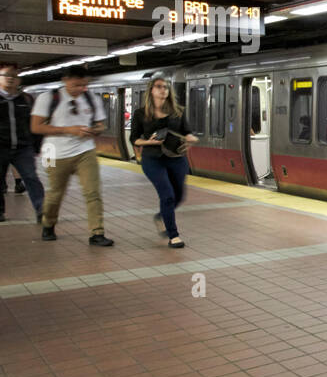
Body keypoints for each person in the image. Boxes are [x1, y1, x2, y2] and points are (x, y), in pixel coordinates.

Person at [30, 69, 113, 245]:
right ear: (65, 80)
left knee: (93, 192)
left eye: (84, 85)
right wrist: (69, 130)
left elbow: (100, 124)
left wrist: (96, 130)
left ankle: (97, 233)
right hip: (53, 151)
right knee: (55, 193)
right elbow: (36, 127)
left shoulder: (91, 98)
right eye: (76, 85)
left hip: (85, 150)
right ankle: (48, 223)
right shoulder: (47, 98)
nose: (81, 89)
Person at [131, 76, 198, 248]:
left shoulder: (178, 112)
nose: (163, 90)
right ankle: (173, 235)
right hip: (153, 159)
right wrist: (149, 142)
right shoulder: (140, 114)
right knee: (167, 195)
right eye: (159, 87)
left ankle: (161, 216)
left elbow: (187, 131)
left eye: (166, 87)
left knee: (179, 196)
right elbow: (135, 139)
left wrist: (190, 139)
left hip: (176, 159)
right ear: (151, 90)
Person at [0, 63, 45, 224]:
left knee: (31, 177)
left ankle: (42, 210)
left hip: (22, 148)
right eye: (6, 76)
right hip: (1, 147)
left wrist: (36, 146)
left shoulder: (26, 99)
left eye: (14, 76)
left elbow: (34, 123)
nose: (10, 79)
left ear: (19, 80)